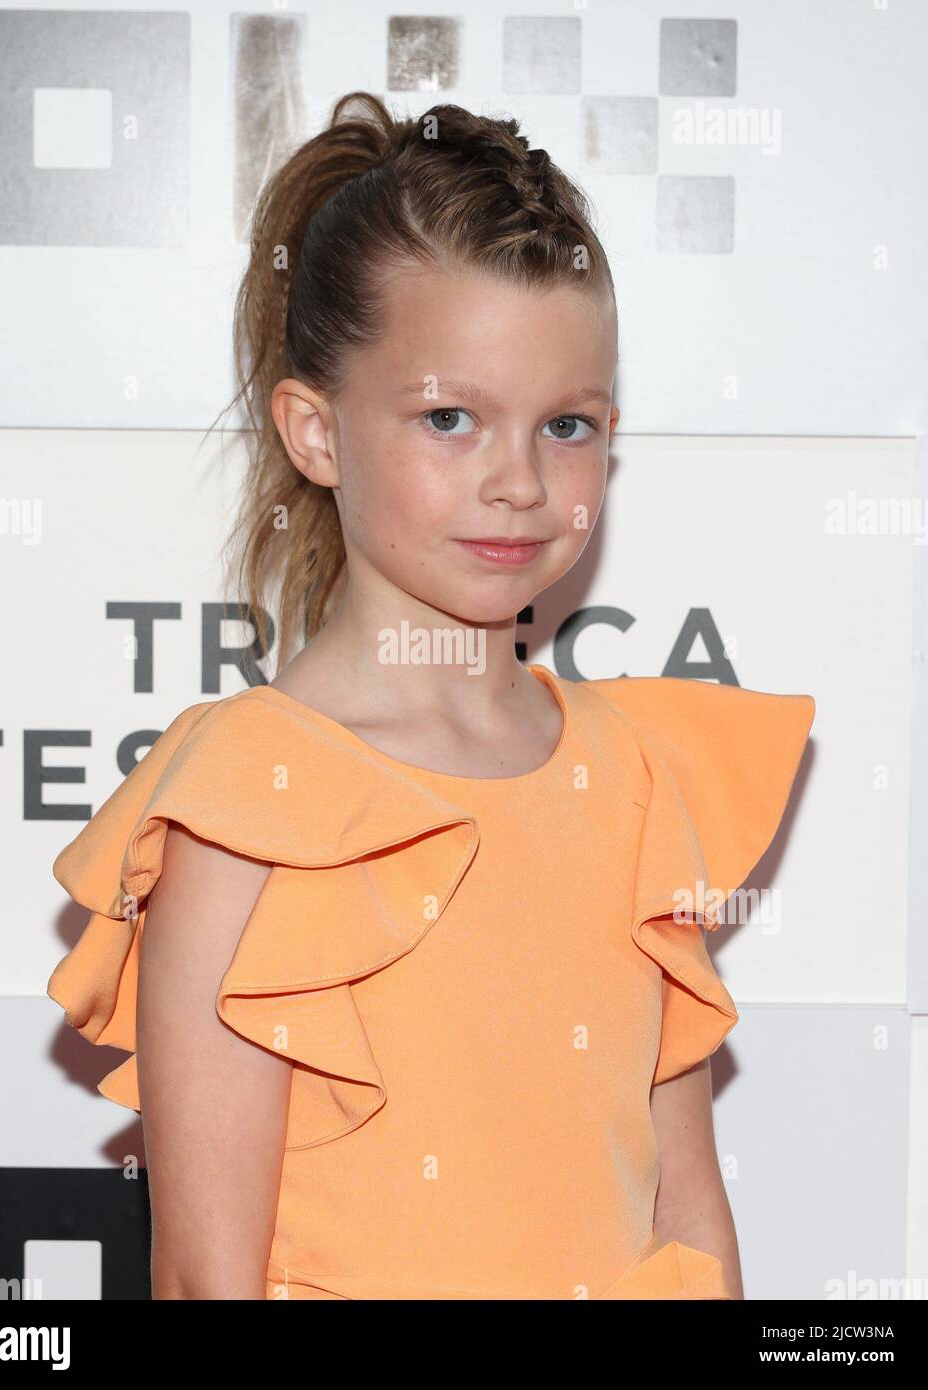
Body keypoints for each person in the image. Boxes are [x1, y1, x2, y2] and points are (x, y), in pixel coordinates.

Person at [46, 91, 815, 1300]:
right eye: (448, 419)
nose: (517, 482)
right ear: (313, 431)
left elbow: (689, 1218)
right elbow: (205, 1280)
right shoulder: (251, 807)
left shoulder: (640, 774)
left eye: (566, 425)